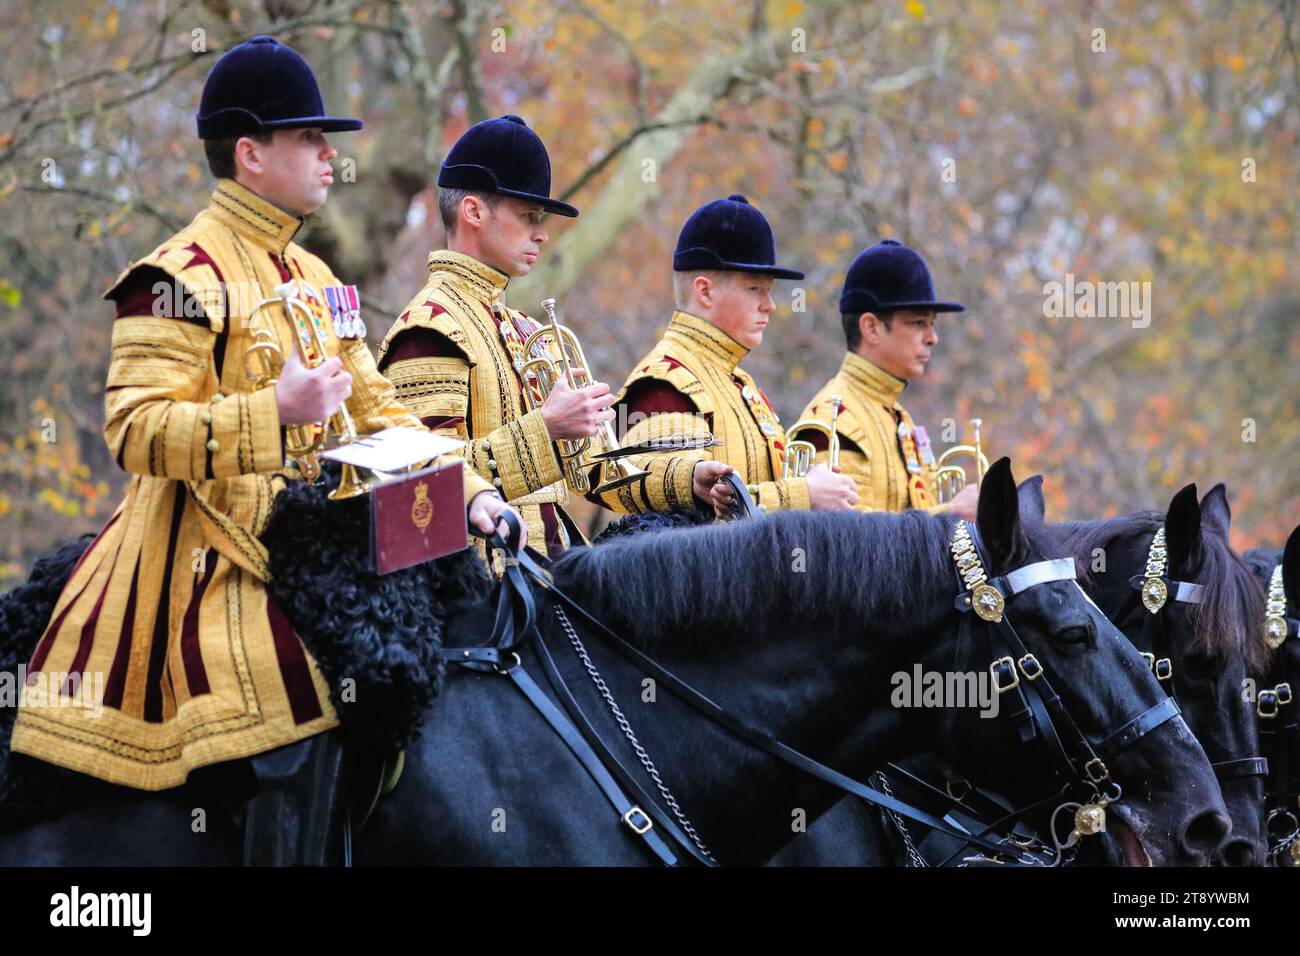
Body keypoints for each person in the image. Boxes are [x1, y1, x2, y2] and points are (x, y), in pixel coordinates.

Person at [10, 36, 519, 864]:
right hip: (202, 555)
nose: (330, 157)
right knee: (303, 694)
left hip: (312, 531)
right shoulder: (172, 276)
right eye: (309, 140)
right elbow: (133, 430)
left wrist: (466, 493)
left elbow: (378, 406)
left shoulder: (319, 276)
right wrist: (272, 410)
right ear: (250, 154)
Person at [378, 115, 637, 566]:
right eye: (528, 216)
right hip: (485, 598)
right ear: (474, 212)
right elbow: (419, 489)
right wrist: (548, 428)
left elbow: (601, 473)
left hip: (553, 579)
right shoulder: (430, 327)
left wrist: (689, 479)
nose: (542, 232)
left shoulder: (523, 327)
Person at [598, 194, 856, 516]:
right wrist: (804, 494)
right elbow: (699, 512)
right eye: (754, 289)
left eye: (769, 290)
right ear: (705, 291)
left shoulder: (738, 380)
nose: (769, 304)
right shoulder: (668, 380)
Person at [788, 238, 979, 520]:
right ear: (871, 328)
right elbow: (850, 542)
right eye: (918, 323)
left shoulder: (898, 415)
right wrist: (950, 515)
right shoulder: (837, 416)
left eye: (932, 324)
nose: (932, 338)